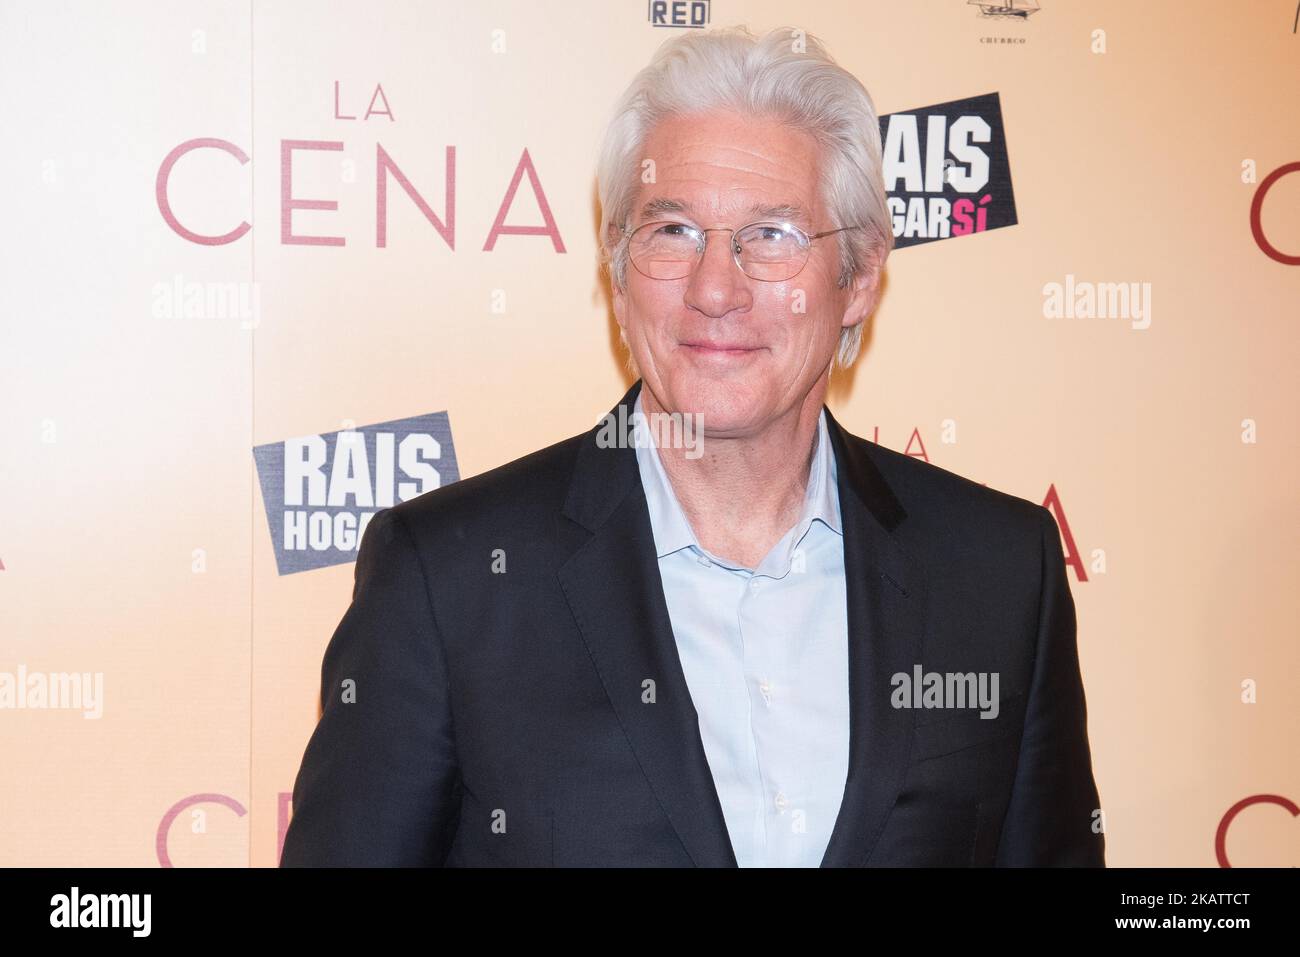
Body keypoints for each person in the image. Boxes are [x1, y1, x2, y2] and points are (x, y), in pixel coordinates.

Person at [280, 25, 1104, 867]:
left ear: (859, 277)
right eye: (671, 231)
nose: (715, 288)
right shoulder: (449, 577)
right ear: (617, 269)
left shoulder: (1001, 574)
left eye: (772, 235)